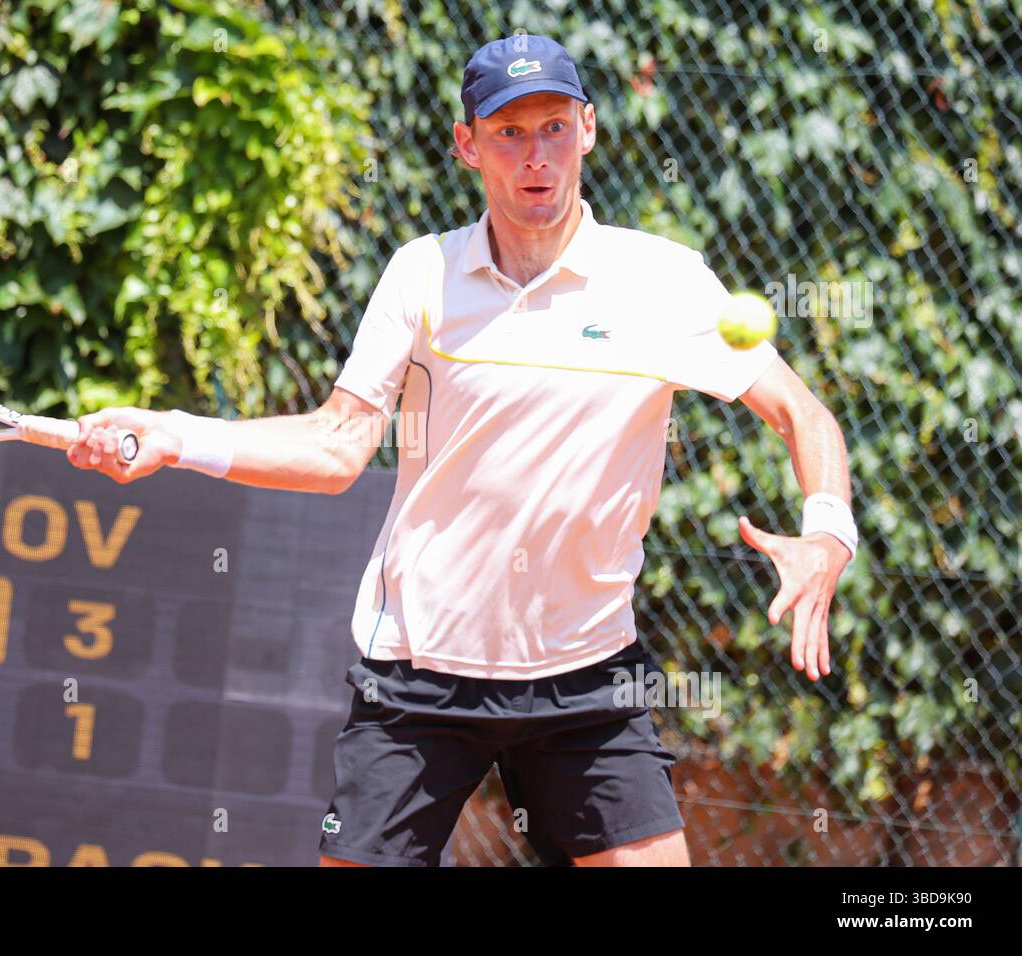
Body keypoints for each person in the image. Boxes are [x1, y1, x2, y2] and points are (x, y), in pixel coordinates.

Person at [66, 34, 858, 867]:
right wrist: (176, 435)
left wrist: (827, 530)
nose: (535, 157)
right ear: (466, 145)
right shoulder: (422, 277)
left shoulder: (661, 283)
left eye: (553, 126)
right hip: (419, 669)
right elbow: (339, 446)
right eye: (508, 134)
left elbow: (802, 416)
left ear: (587, 128)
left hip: (585, 670)